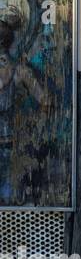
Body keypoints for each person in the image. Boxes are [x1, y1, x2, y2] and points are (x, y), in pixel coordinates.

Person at [0, 17, 48, 201]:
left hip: (12, 144)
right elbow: (46, 101)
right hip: (14, 141)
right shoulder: (20, 70)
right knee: (10, 194)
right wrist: (34, 125)